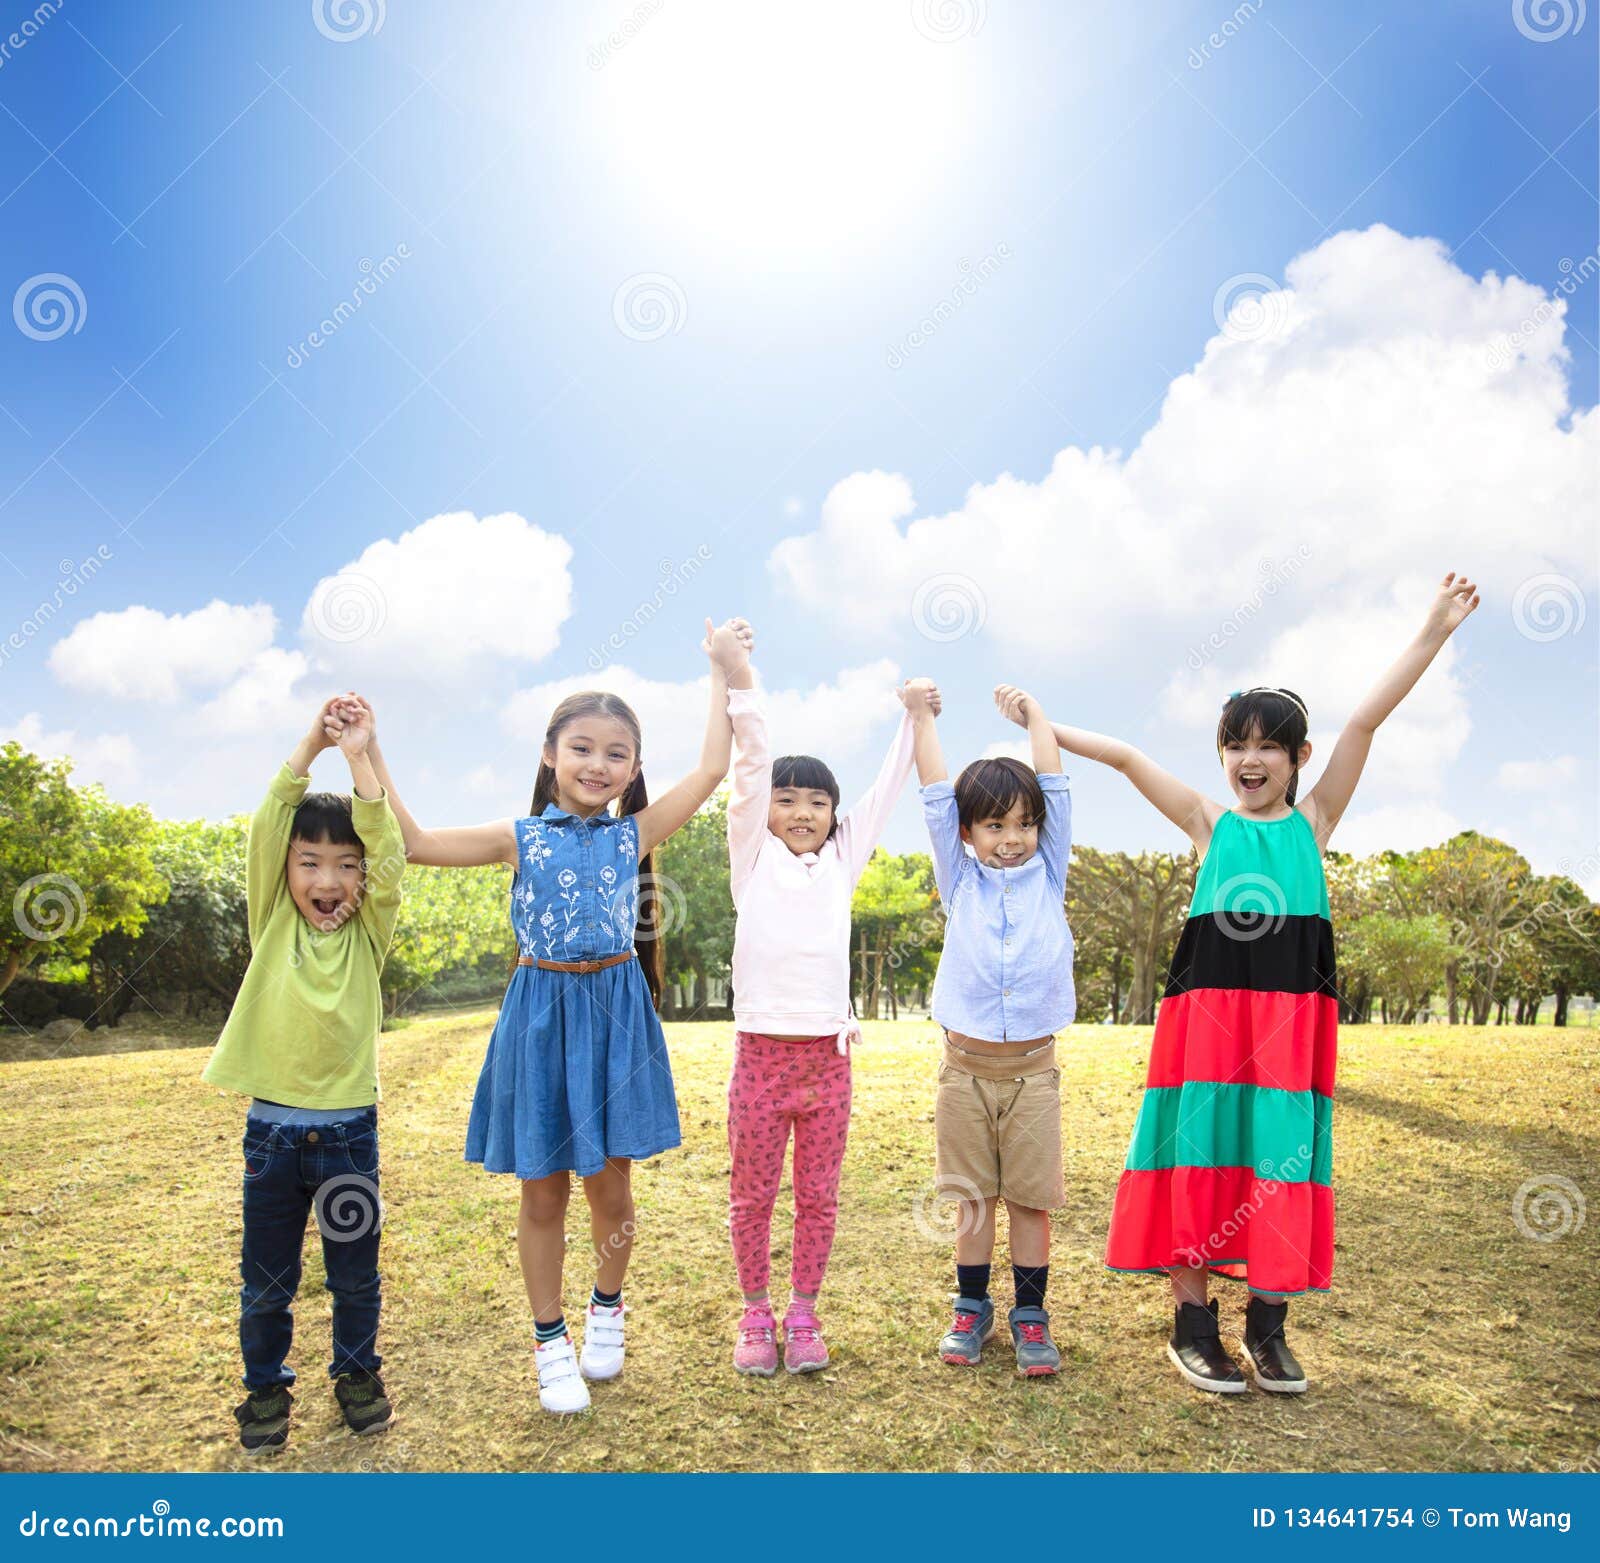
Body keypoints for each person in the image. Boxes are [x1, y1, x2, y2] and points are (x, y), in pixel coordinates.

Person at [1023, 573, 1479, 1393]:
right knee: (1198, 1154)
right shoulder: (1209, 823)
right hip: (1207, 1027)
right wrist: (1040, 723)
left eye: (1269, 744)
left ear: (1300, 758)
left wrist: (1434, 629)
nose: (1250, 758)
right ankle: (1193, 1323)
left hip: (1289, 1031)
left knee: (1278, 1156)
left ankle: (1268, 1327)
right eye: (1237, 743)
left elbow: (1368, 718)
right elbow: (1127, 758)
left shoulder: (1317, 821)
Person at [360, 618, 753, 1414]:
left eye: (616, 753)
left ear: (634, 768)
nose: (597, 764)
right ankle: (550, 1343)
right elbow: (415, 840)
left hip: (613, 1017)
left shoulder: (634, 835)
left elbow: (715, 766)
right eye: (581, 747)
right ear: (549, 754)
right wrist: (363, 750)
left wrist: (721, 669)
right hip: (539, 1018)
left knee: (611, 1191)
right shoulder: (518, 838)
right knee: (542, 1196)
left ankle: (608, 1310)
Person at [202, 694, 406, 1454]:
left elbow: (390, 852)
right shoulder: (273, 921)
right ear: (285, 870)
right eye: (310, 861)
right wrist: (309, 746)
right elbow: (266, 825)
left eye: (345, 865)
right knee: (268, 1279)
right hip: (272, 1141)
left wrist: (359, 756)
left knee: (355, 1274)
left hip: (349, 1135)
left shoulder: (368, 936)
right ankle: (263, 1388)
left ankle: (357, 1372)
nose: (330, 878)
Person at [724, 659, 940, 1374]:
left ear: (834, 814)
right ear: (766, 812)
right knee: (753, 1194)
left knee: (818, 1198)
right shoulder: (751, 858)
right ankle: (756, 1311)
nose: (803, 812)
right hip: (760, 1057)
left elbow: (884, 790)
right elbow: (749, 771)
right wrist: (739, 679)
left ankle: (804, 1310)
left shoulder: (844, 859)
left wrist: (915, 715)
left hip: (827, 1062)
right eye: (788, 800)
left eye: (818, 801)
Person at [915, 683, 1076, 1376]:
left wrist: (1036, 717)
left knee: (1031, 1200)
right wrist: (920, 717)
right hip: (965, 1072)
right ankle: (972, 1307)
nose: (1011, 840)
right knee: (974, 1199)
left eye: (1022, 824)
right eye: (993, 826)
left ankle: (1031, 1315)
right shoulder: (961, 882)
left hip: (1033, 1074)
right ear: (967, 833)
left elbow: (1056, 785)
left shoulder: (1050, 872)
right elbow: (933, 792)